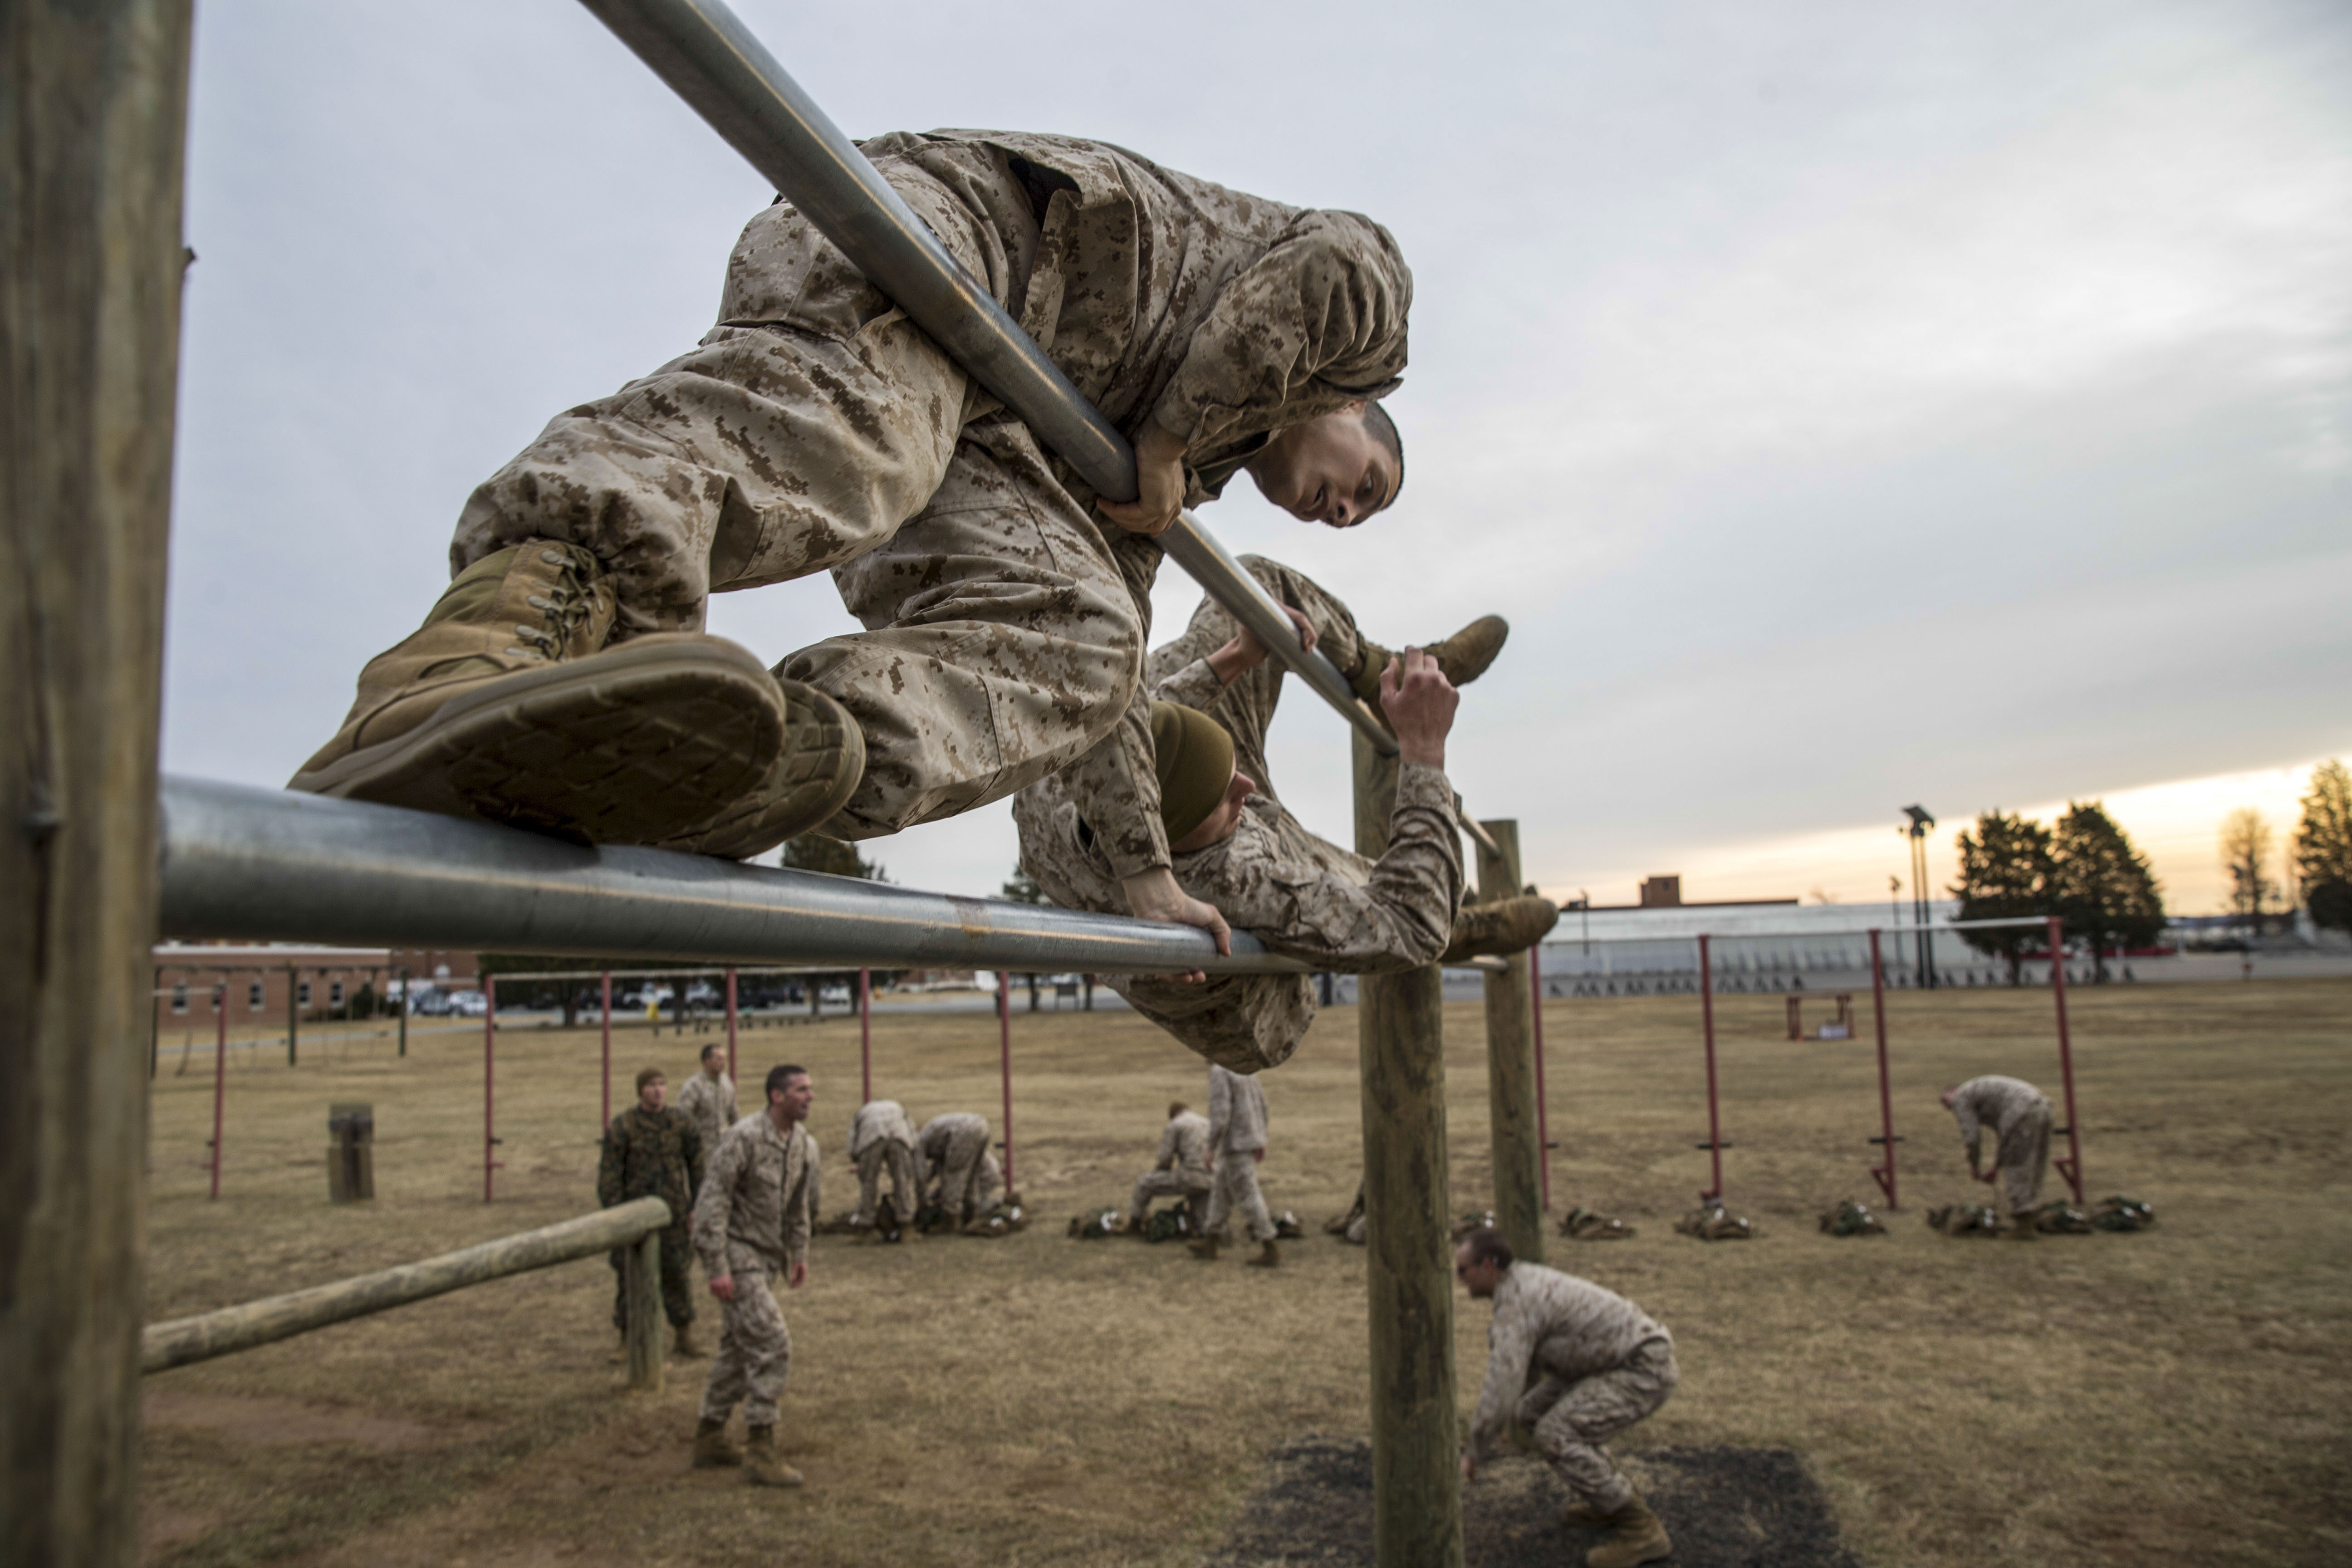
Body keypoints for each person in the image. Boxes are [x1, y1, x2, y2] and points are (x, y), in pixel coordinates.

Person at [289, 131, 1412, 956]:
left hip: (1000, 431)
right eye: (1366, 482)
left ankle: (757, 763)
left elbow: (1110, 696)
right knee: (854, 437)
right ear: (1357, 400)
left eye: (1361, 519)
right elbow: (1317, 275)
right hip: (966, 250)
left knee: (1088, 639)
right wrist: (1165, 436)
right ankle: (486, 642)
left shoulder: (1175, 479)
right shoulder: (1368, 315)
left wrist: (1144, 873)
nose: (1344, 513)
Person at [1013, 554, 1558, 1073]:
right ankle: (1463, 928)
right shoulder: (1240, 878)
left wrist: (1233, 660)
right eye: (1226, 794)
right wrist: (1424, 753)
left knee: (1250, 591)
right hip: (1256, 1006)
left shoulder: (1053, 778)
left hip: (1182, 839)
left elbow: (1137, 724)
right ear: (1168, 844)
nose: (1247, 787)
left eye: (1233, 773)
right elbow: (1409, 922)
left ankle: (1379, 673)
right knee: (1403, 904)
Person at [1455, 1227, 1676, 1568]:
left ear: (1488, 1267)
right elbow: (1522, 1373)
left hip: (1641, 1367)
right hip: (1608, 1361)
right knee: (1530, 1412)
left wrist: (1475, 1450)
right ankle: (1607, 1498)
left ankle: (1641, 1529)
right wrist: (1501, 1418)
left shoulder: (1516, 1302)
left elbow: (1503, 1380)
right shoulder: (1519, 1284)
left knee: (1556, 1434)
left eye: (1462, 1271)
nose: (1460, 1281)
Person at [691, 1064, 819, 1486]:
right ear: (776, 1097)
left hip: (767, 1259)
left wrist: (798, 1253)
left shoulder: (803, 1144)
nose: (809, 1097)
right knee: (771, 1342)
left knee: (739, 1347)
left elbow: (799, 1205)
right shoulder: (742, 1138)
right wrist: (717, 1267)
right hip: (736, 1254)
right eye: (801, 1090)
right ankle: (761, 1446)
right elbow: (712, 1204)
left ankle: (709, 1434)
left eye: (810, 1090)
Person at [596, 1067, 705, 1358]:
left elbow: (698, 1168)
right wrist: (616, 1215)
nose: (658, 1090)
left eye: (662, 1084)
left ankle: (684, 1337)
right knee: (629, 1278)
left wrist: (697, 1208)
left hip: (674, 1215)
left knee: (677, 1274)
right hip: (633, 1215)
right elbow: (609, 1175)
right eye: (651, 1085)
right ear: (640, 1091)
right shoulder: (624, 1126)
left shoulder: (681, 1123)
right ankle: (626, 1340)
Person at [1940, 1075, 2053, 1235]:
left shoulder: (1960, 1097)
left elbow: (1972, 1137)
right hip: (2042, 1105)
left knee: (2018, 1166)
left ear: (1953, 1092)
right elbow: (2007, 1138)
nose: (1948, 1108)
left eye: (1945, 1101)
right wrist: (1996, 1166)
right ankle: (2030, 1217)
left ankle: (2024, 1227)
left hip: (2021, 1111)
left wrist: (1974, 1165)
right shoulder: (1979, 1091)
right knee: (2034, 1164)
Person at [1190, 1066, 1278, 1266]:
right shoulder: (1246, 1068)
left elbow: (1221, 1112)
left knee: (1249, 1196)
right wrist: (1260, 1137)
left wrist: (1211, 1146)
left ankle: (1270, 1245)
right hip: (1246, 1141)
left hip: (1235, 1144)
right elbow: (1262, 1105)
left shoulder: (1219, 1073)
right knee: (1220, 1195)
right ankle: (1210, 1241)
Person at [1127, 1100, 1213, 1232]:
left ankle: (1133, 1226)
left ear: (1173, 1114)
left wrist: (1161, 1171)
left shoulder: (1175, 1124)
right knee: (1203, 1221)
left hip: (1190, 1176)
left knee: (1144, 1183)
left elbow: (1164, 1159)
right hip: (1211, 1179)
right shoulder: (1207, 1123)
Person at [916, 1111, 1002, 1229]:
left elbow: (920, 1173)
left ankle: (951, 1221)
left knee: (954, 1176)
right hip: (982, 1125)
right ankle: (971, 1215)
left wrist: (921, 1198)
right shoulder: (935, 1132)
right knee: (971, 1175)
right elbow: (934, 1169)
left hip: (964, 1132)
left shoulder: (919, 1140)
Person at [847, 1098, 920, 1231]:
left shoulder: (863, 1112)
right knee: (902, 1180)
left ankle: (866, 1224)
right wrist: (912, 1149)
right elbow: (911, 1130)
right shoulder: (898, 1106)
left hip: (871, 1136)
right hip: (899, 1135)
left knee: (868, 1182)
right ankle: (906, 1224)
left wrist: (855, 1157)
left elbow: (852, 1135)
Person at [676, 1043, 739, 1170]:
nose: (723, 1062)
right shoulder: (694, 1086)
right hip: (702, 1150)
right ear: (707, 1061)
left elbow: (734, 1115)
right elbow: (683, 1117)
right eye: (719, 1059)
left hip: (724, 1148)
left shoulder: (727, 1084)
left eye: (724, 1059)